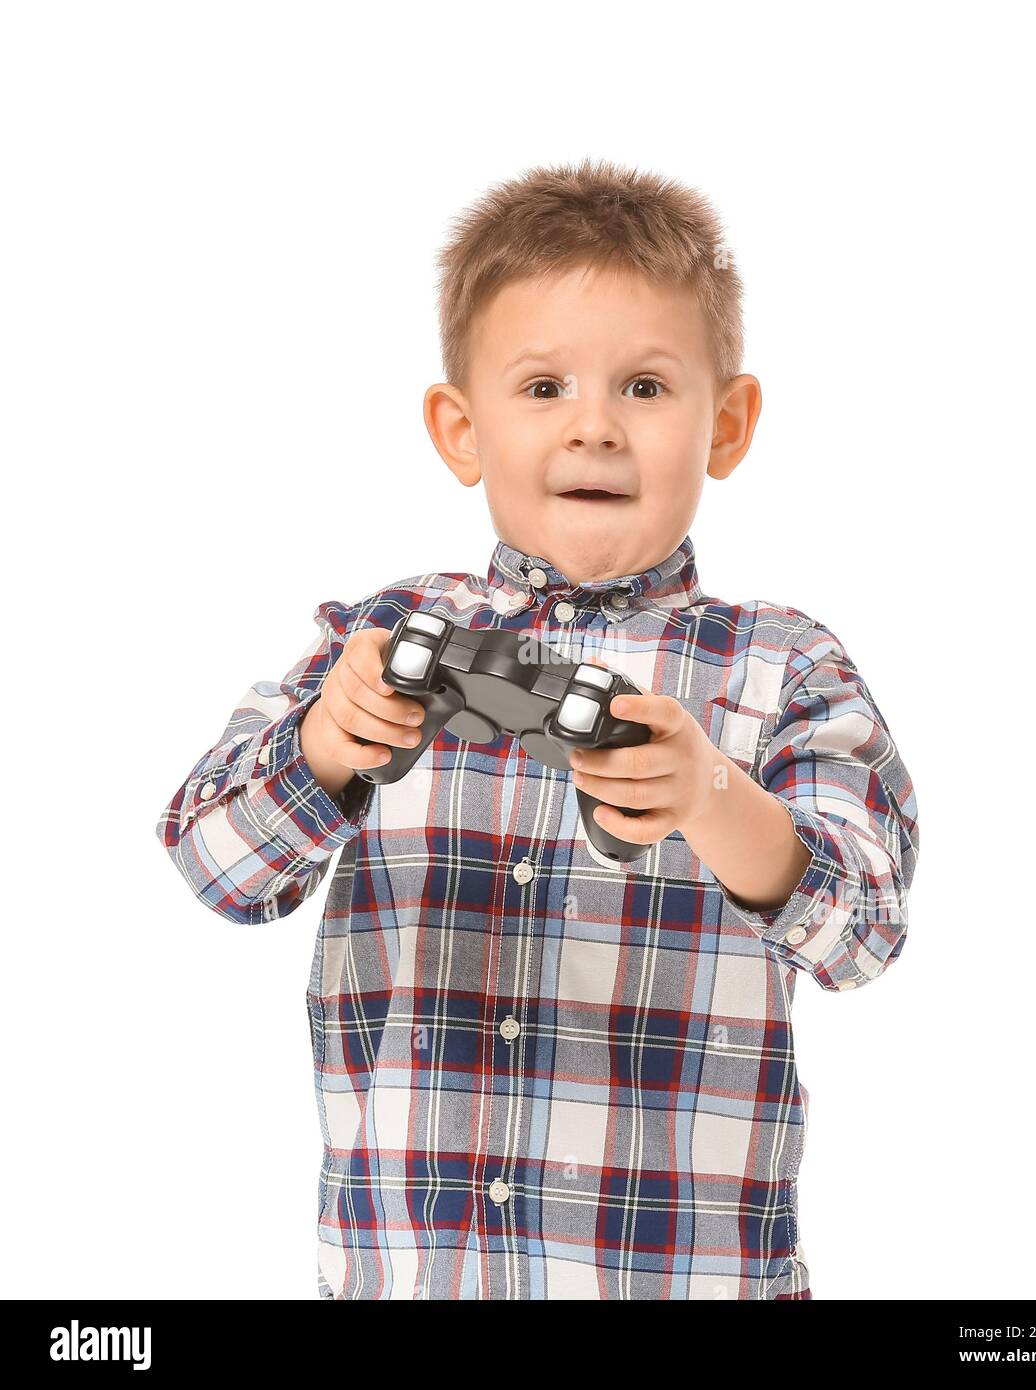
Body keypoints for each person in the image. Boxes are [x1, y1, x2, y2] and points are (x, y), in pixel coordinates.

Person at [156, 157, 920, 1300]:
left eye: (648, 388)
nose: (596, 430)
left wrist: (709, 794)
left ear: (730, 421)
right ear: (459, 430)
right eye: (544, 386)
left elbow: (861, 931)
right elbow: (212, 863)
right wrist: (327, 745)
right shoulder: (373, 639)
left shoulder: (784, 665)